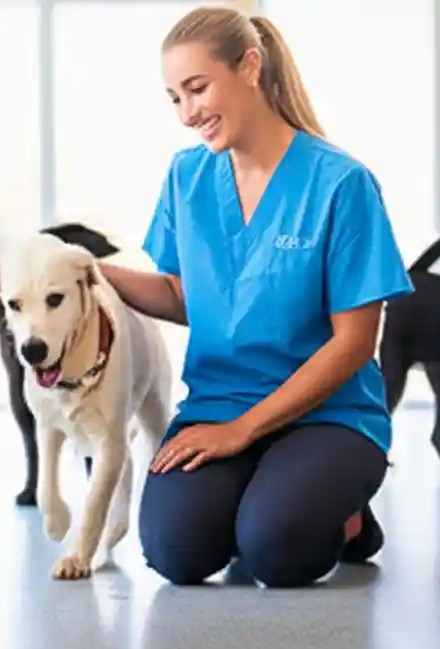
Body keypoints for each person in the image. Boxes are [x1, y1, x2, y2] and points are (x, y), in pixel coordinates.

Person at [97, 6, 414, 588]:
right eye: (174, 98)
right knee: (177, 552)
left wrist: (243, 433)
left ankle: (348, 520)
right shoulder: (186, 177)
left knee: (277, 552)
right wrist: (92, 273)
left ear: (248, 67)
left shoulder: (341, 183)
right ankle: (268, 492)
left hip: (329, 414)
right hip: (221, 402)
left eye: (197, 88)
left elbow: (354, 343)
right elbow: (181, 297)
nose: (188, 113)